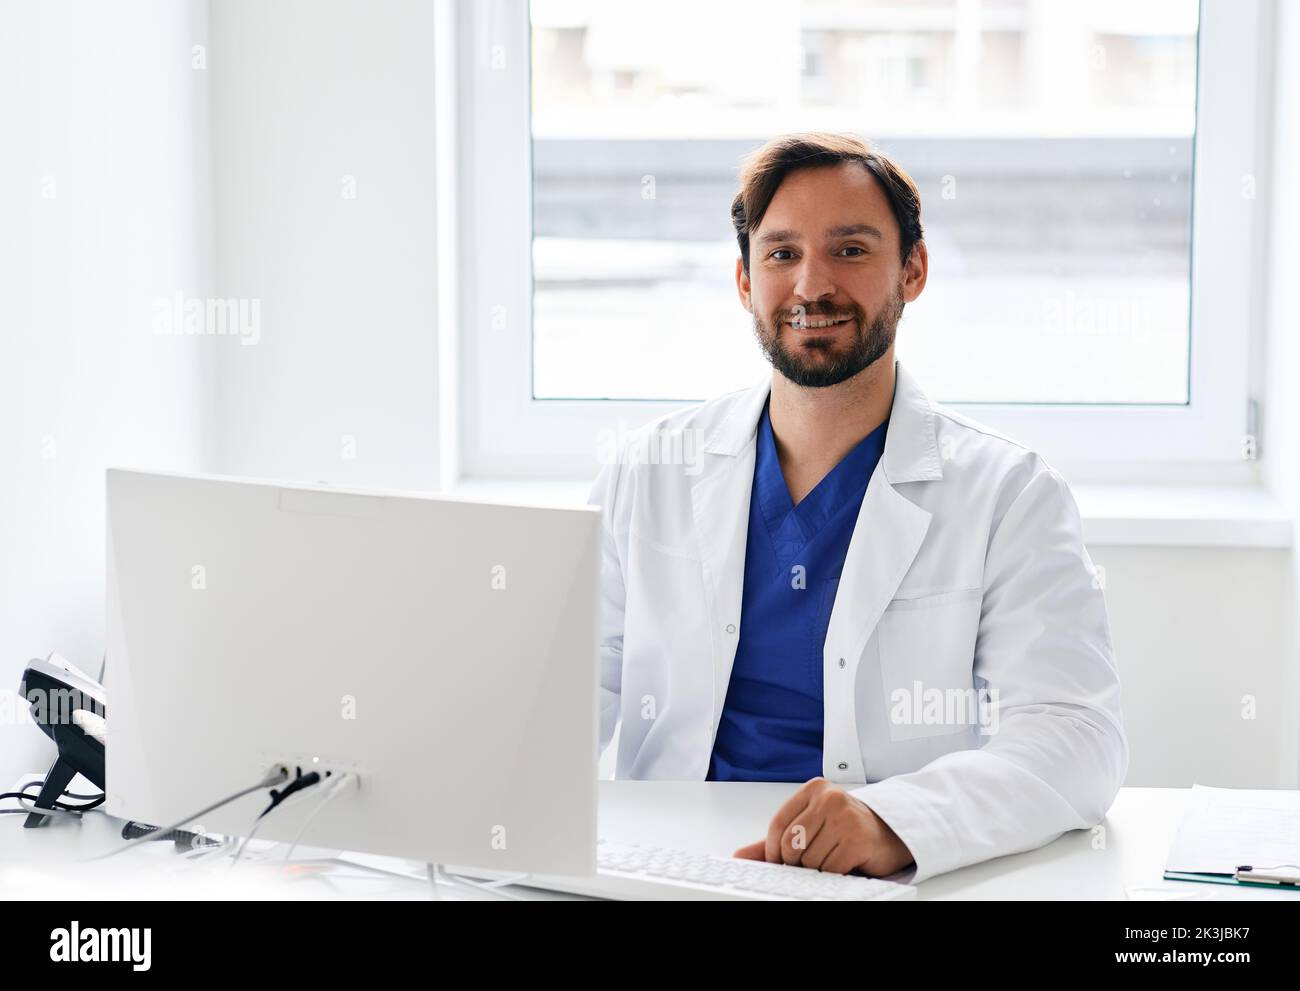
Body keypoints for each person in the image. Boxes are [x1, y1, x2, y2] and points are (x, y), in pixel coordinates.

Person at [588, 132, 1128, 883]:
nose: (812, 286)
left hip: (879, 877)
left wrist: (897, 819)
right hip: (667, 870)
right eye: (781, 254)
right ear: (745, 281)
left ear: (913, 270)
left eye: (849, 250)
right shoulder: (648, 472)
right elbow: (560, 703)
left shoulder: (1010, 493)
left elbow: (1077, 735)